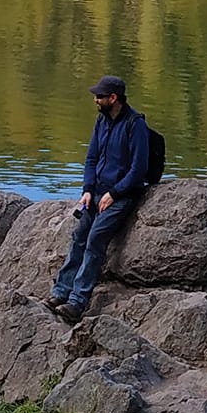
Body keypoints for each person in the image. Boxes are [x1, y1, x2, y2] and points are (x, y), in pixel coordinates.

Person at [50, 74, 150, 322]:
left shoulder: (135, 125)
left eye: (99, 96)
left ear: (113, 98)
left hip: (123, 196)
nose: (95, 100)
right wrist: (87, 189)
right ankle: (60, 292)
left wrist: (114, 194)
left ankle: (77, 303)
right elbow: (91, 158)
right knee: (78, 236)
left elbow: (138, 171)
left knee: (95, 239)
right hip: (96, 194)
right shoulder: (102, 121)